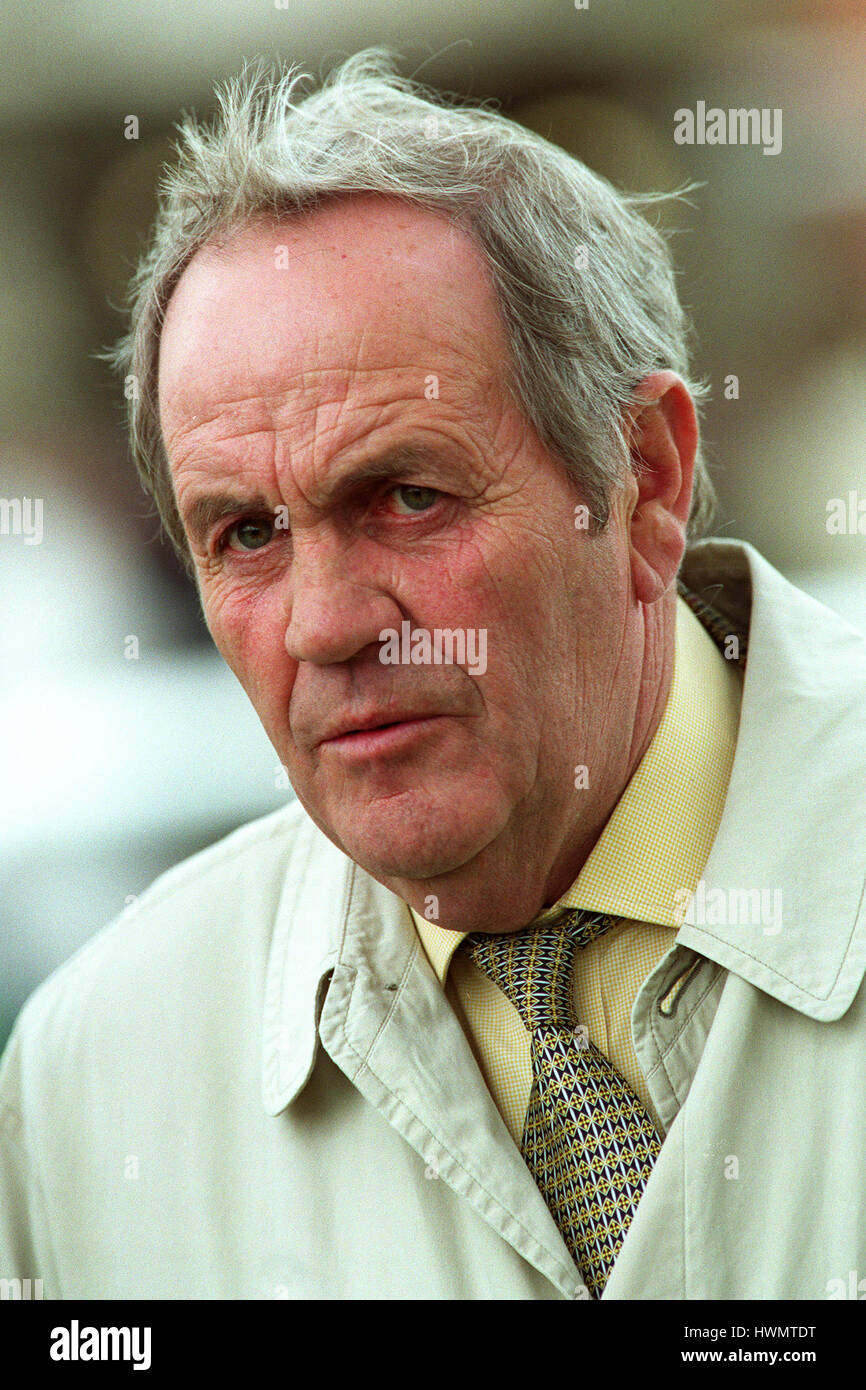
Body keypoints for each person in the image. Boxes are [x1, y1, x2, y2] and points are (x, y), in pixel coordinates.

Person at [2, 49, 865, 1302]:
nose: (324, 625)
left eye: (407, 497)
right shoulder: (100, 1081)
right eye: (244, 532)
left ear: (645, 482)